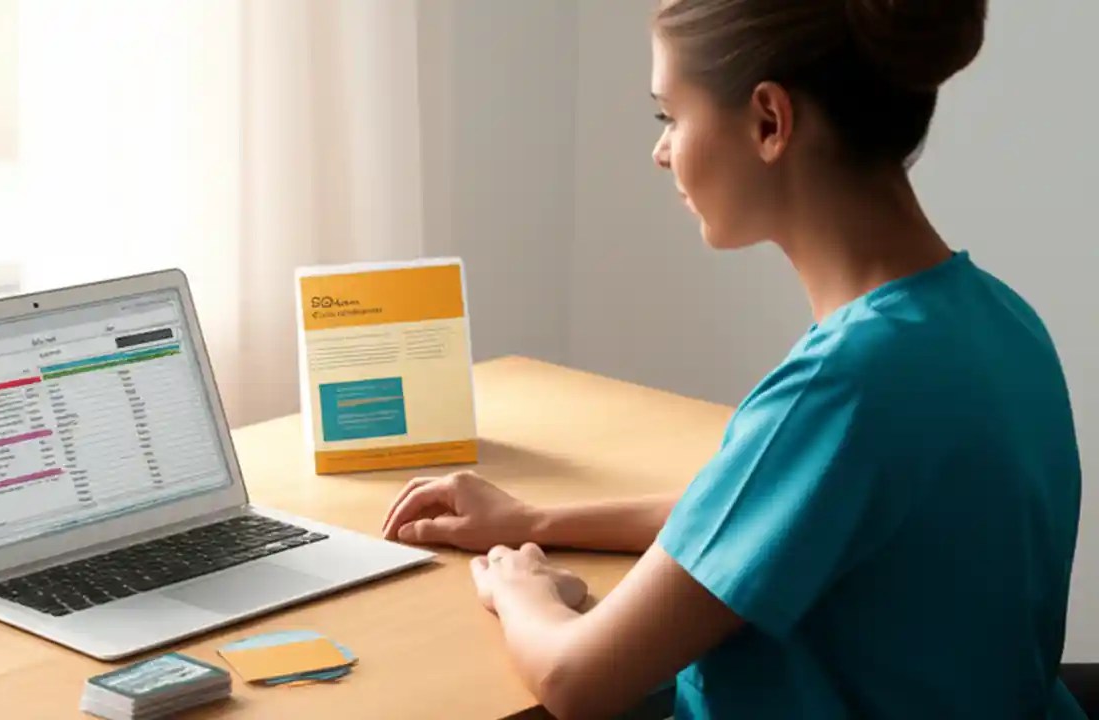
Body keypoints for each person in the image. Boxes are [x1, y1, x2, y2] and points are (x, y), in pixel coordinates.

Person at [381, 0, 1086, 718]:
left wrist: (517, 588)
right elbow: (755, 517)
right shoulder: (996, 321)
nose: (660, 152)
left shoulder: (846, 385)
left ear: (769, 122)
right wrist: (535, 520)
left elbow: (575, 680)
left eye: (670, 118)